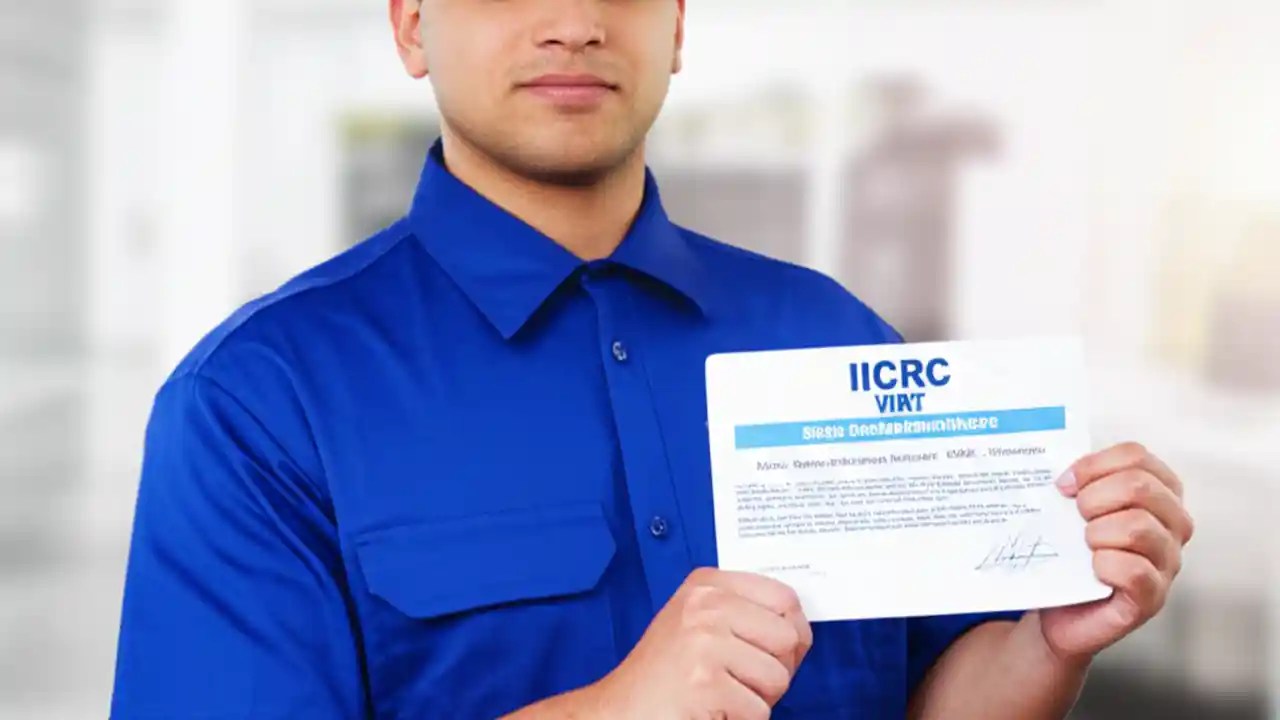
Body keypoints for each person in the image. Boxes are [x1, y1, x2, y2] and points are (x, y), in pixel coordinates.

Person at [109, 1, 1195, 718]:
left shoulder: (831, 335)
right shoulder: (259, 401)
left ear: (676, 25)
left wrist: (1047, 644)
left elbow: (930, 698)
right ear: (410, 26)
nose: (575, 23)